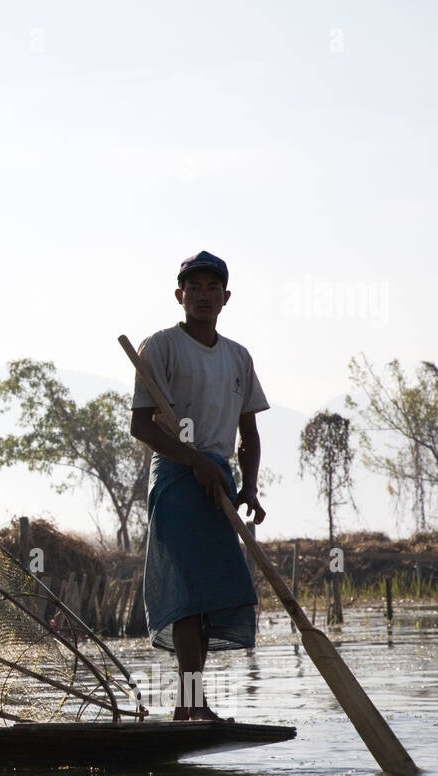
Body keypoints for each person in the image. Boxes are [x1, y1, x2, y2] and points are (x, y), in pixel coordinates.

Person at [129, 251, 269, 720]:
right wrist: (194, 462)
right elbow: (143, 426)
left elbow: (248, 434)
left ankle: (192, 704)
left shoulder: (238, 357)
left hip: (219, 481)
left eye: (213, 288)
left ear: (226, 298)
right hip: (176, 475)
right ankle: (191, 705)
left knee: (212, 594)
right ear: (180, 296)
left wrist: (247, 487)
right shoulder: (162, 347)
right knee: (187, 595)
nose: (204, 295)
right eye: (195, 288)